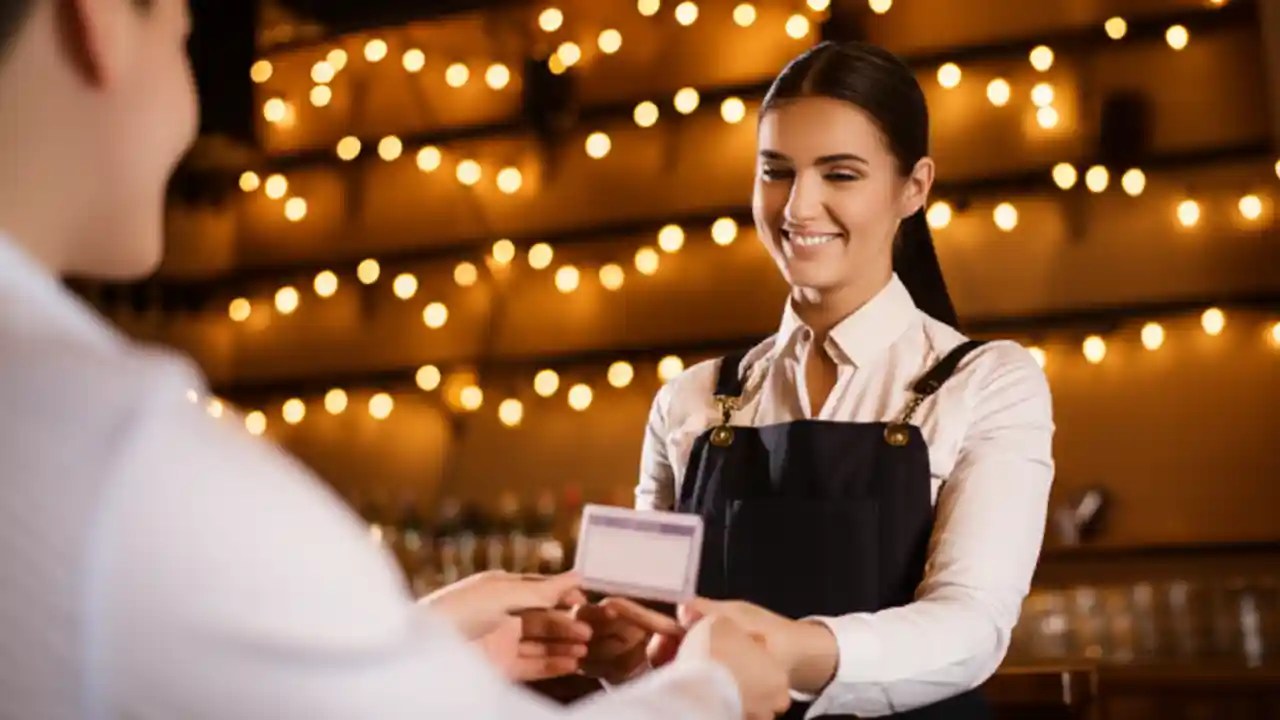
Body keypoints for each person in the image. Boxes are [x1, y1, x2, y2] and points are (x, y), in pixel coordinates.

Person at [0, 1, 792, 718]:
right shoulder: (129, 457)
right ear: (99, 18)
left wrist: (424, 640)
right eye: (180, 37)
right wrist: (713, 687)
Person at [576, 41, 1055, 719]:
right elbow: (649, 642)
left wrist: (794, 649)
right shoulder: (688, 399)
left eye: (841, 174)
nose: (798, 207)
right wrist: (616, 651)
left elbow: (973, 626)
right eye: (776, 172)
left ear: (914, 187)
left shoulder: (988, 382)